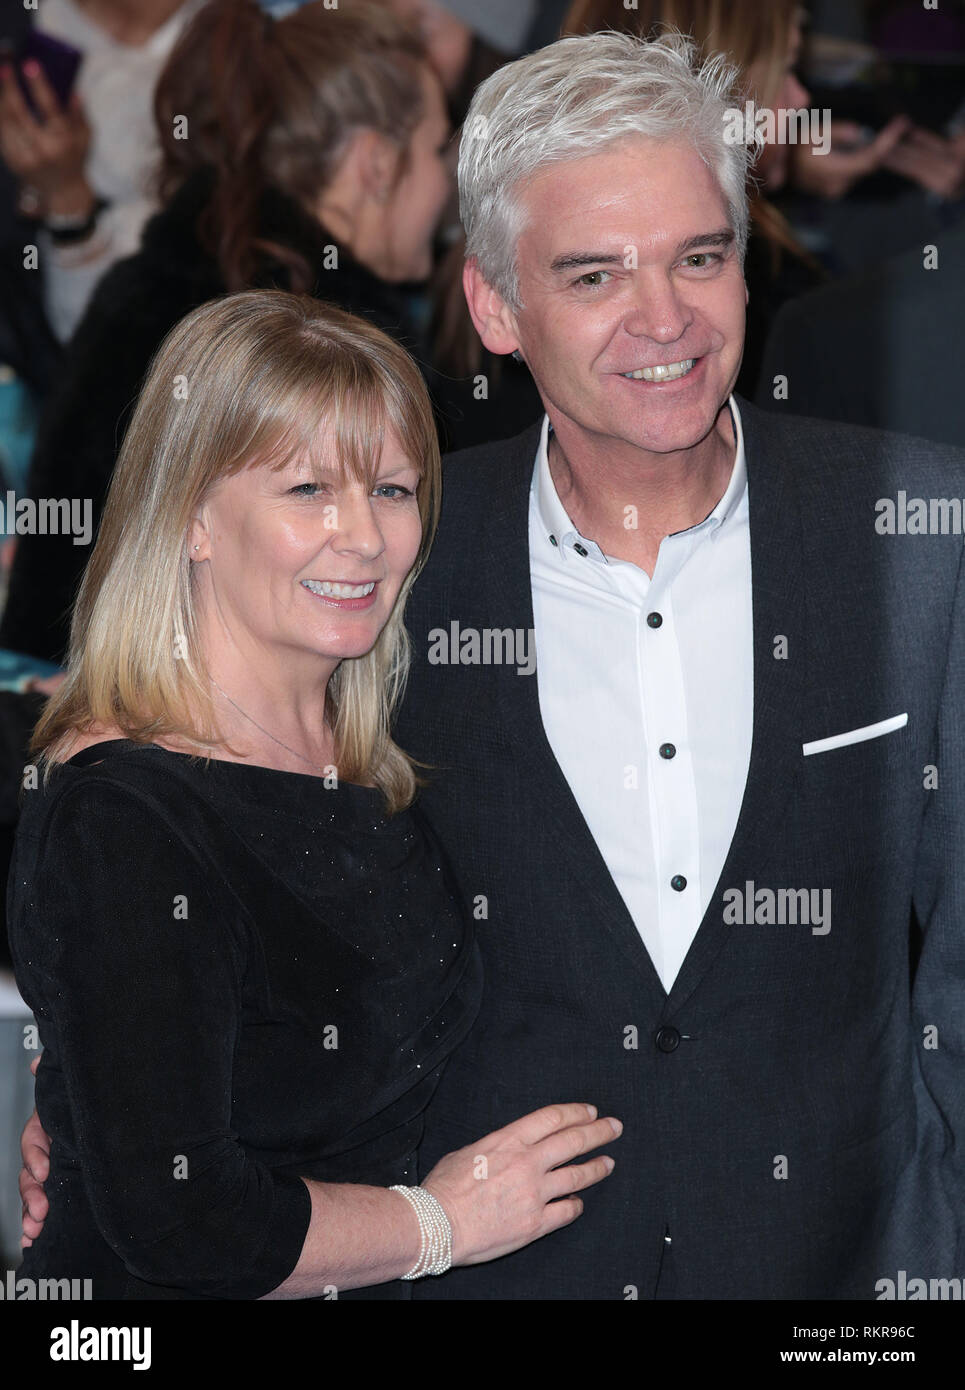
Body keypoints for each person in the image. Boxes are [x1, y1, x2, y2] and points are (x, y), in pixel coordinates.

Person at [22, 25, 965, 1303]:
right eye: (592, 276)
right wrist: (93, 1112)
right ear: (494, 307)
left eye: (699, 256)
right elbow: (188, 817)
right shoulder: (388, 562)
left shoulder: (911, 536)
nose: (663, 318)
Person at [9, 289, 619, 1299]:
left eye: (389, 489)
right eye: (306, 491)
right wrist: (443, 1222)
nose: (363, 537)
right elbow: (181, 1214)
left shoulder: (380, 756)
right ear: (192, 516)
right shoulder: (123, 814)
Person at [0, 0, 452, 667]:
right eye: (437, 148)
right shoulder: (331, 344)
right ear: (375, 165)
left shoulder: (155, 285)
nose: (448, 181)